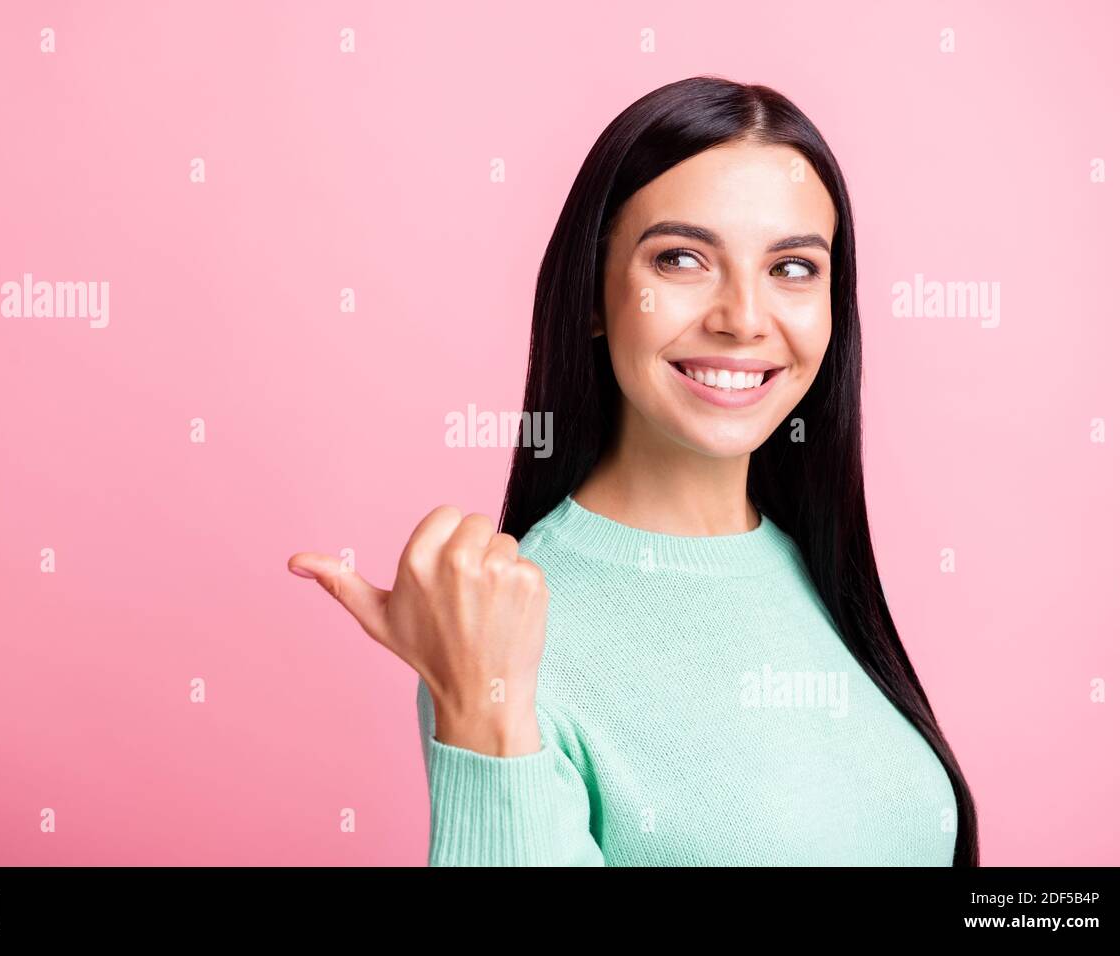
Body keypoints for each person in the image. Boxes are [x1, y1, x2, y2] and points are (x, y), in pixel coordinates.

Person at [288, 75, 979, 867]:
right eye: (682, 259)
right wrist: (482, 712)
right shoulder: (503, 629)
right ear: (591, 292)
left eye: (791, 268)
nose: (744, 319)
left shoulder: (812, 564)